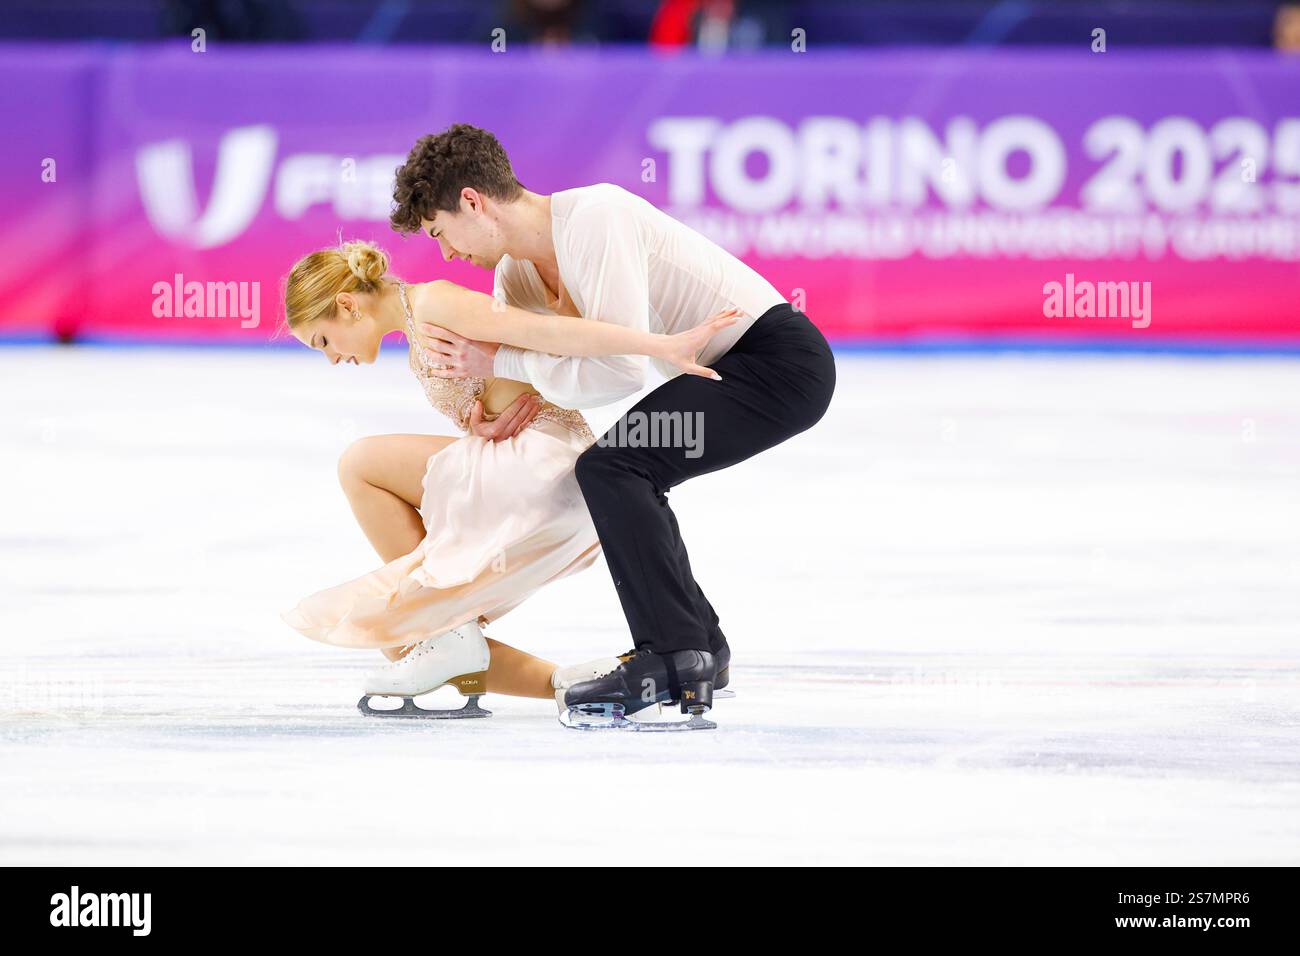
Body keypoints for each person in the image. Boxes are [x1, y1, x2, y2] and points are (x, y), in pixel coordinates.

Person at [389, 124, 836, 728]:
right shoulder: (516, 277)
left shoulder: (596, 216)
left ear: (473, 201)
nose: (445, 255)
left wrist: (505, 364)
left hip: (776, 364)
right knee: (623, 466)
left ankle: (676, 651)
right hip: (724, 370)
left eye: (441, 233)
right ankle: (700, 647)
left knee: (617, 465)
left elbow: (619, 371)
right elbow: (535, 375)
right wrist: (488, 411)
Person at [279, 239, 733, 718]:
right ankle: (570, 683)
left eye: (324, 341)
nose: (332, 358)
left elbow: (547, 334)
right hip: (533, 478)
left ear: (347, 305)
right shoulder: (419, 325)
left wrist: (658, 346)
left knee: (360, 465)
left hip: (545, 469)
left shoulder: (434, 302)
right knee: (403, 639)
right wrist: (479, 421)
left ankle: (441, 623)